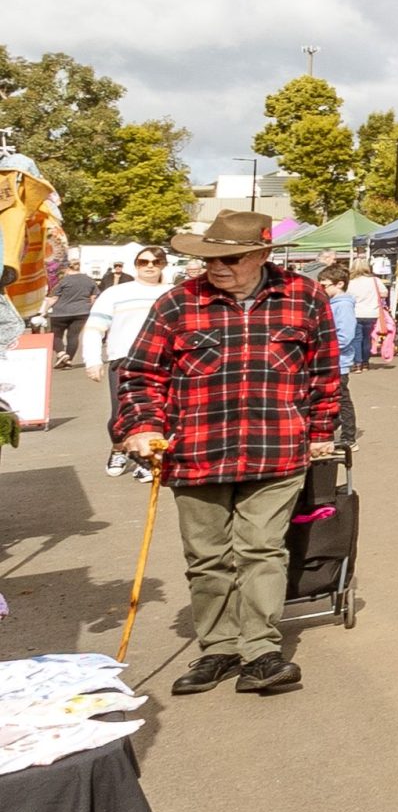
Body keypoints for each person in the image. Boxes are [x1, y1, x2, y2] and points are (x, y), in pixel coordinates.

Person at [111, 211, 341, 697]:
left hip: (276, 449)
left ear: (262, 255)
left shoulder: (305, 296)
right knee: (207, 557)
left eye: (230, 259)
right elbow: (139, 375)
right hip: (195, 451)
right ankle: (218, 647)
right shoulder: (178, 303)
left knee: (262, 549)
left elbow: (324, 374)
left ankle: (260, 651)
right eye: (208, 258)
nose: (216, 267)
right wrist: (143, 425)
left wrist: (322, 432)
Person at [85, 247, 175, 483]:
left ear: (164, 265)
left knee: (163, 412)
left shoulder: (172, 293)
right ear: (135, 265)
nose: (150, 266)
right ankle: (117, 449)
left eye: (156, 261)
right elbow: (95, 327)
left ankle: (148, 461)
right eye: (143, 261)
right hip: (125, 359)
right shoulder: (115, 293)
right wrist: (93, 360)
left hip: (166, 360)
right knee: (120, 415)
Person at [46, 260, 96, 368]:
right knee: (73, 336)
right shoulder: (89, 280)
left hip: (60, 313)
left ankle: (61, 354)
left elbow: (54, 298)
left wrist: (44, 310)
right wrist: (89, 308)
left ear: (67, 268)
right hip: (82, 312)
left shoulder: (63, 281)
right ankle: (68, 361)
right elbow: (93, 297)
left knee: (55, 335)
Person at [344, 258, 387, 371]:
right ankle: (365, 362)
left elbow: (346, 295)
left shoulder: (350, 282)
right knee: (367, 338)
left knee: (356, 339)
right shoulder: (375, 280)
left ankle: (357, 363)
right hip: (372, 313)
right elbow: (384, 293)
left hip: (356, 313)